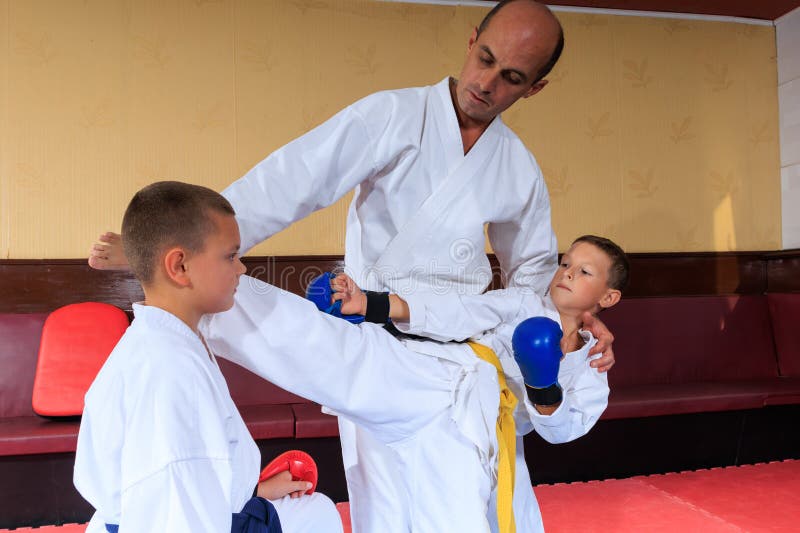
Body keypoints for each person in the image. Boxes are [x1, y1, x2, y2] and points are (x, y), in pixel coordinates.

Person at [88, 0, 619, 529]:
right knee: (384, 507)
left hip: (459, 360)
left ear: (534, 88)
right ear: (471, 39)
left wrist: (575, 325)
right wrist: (174, 245)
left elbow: (535, 282)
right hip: (370, 342)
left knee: (465, 509)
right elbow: (294, 179)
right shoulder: (392, 116)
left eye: (511, 78)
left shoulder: (517, 168)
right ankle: (165, 260)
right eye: (485, 58)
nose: (486, 83)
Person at [198, 234, 629, 532]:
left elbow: (564, 430)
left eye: (584, 272)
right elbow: (456, 312)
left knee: (455, 520)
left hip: (473, 434)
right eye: (565, 263)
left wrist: (543, 386)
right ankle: (199, 293)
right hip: (434, 376)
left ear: (608, 297)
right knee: (324, 345)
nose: (567, 273)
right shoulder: (521, 302)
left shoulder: (593, 363)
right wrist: (370, 304)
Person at [74, 182, 343, 533]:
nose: (241, 269)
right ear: (180, 266)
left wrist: (253, 491)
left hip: (167, 511)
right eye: (230, 256)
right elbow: (178, 513)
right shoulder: (171, 372)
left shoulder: (162, 340)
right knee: (317, 516)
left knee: (314, 508)